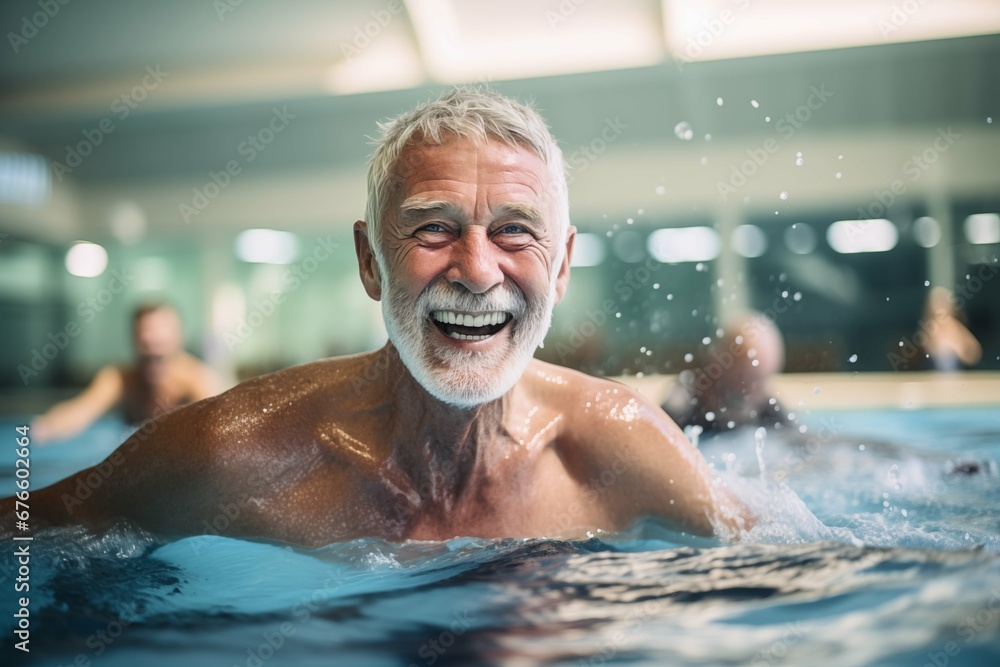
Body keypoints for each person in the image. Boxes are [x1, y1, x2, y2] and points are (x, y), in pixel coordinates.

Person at [4, 88, 751, 546]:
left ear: (559, 268)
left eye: (515, 231)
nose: (478, 269)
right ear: (370, 261)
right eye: (433, 227)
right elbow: (32, 528)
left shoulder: (625, 450)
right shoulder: (239, 455)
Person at [31, 302, 222, 443]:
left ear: (179, 338)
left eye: (159, 339)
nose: (151, 342)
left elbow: (224, 427)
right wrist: (45, 427)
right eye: (145, 339)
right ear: (134, 340)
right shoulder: (121, 379)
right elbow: (81, 411)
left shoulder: (197, 380)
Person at [663, 312, 790, 433]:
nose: (755, 389)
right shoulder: (684, 400)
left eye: (763, 379)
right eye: (746, 377)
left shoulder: (764, 404)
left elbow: (801, 441)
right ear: (718, 363)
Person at [920, 286, 981, 371]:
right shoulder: (929, 327)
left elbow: (973, 352)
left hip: (953, 372)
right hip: (934, 373)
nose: (939, 306)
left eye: (942, 302)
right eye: (937, 302)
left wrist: (957, 348)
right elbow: (926, 348)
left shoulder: (953, 326)